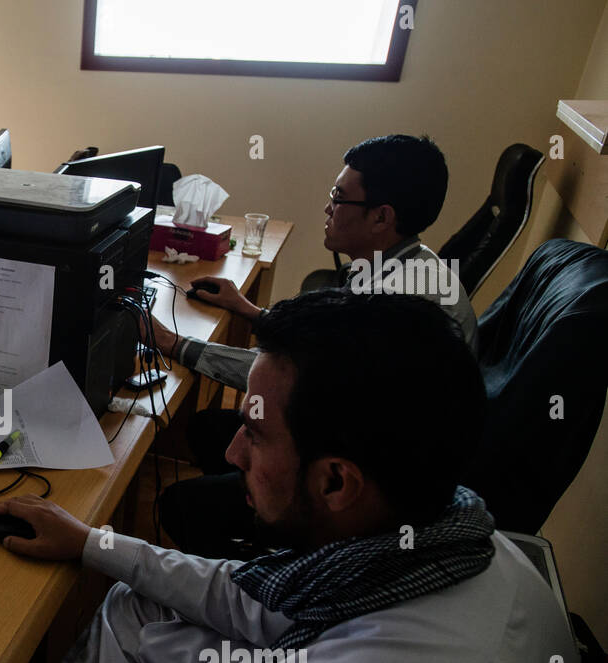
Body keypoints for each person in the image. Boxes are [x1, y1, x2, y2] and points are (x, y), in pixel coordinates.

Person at [0, 289, 595, 663]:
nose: (231, 450)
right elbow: (248, 600)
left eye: (254, 432)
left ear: (337, 482)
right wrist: (91, 542)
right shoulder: (459, 537)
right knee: (138, 602)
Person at [154, 134, 478, 554]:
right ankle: (262, 520)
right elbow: (329, 351)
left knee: (181, 506)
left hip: (366, 491)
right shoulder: (411, 262)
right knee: (206, 428)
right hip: (359, 443)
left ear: (381, 217)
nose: (328, 208)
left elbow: (292, 381)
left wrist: (175, 344)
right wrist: (250, 311)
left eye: (339, 198)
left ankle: (275, 574)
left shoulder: (397, 302)